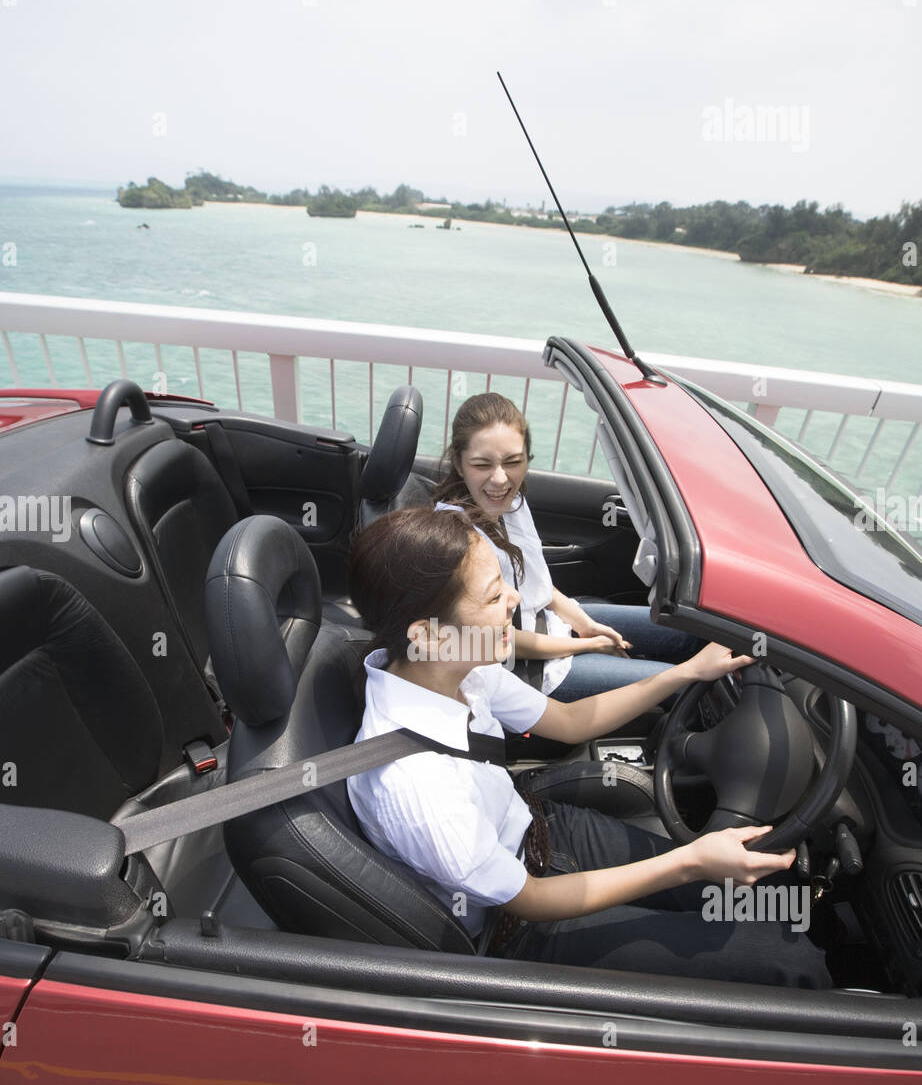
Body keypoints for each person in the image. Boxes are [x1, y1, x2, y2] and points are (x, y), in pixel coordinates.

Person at [345, 505, 831, 987]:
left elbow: (571, 721)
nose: (515, 599)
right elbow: (530, 899)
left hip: (541, 831)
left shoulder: (457, 664)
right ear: (427, 635)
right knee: (791, 962)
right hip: (523, 925)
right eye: (494, 596)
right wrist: (690, 863)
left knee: (770, 893)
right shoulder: (418, 787)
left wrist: (685, 674)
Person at [431, 391, 701, 698]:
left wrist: (584, 623)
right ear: (458, 462)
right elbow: (498, 640)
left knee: (690, 632)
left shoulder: (513, 503)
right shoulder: (457, 540)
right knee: (685, 686)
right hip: (523, 671)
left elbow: (536, 583)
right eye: (482, 464)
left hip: (551, 626)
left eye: (513, 462)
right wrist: (588, 644)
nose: (500, 479)